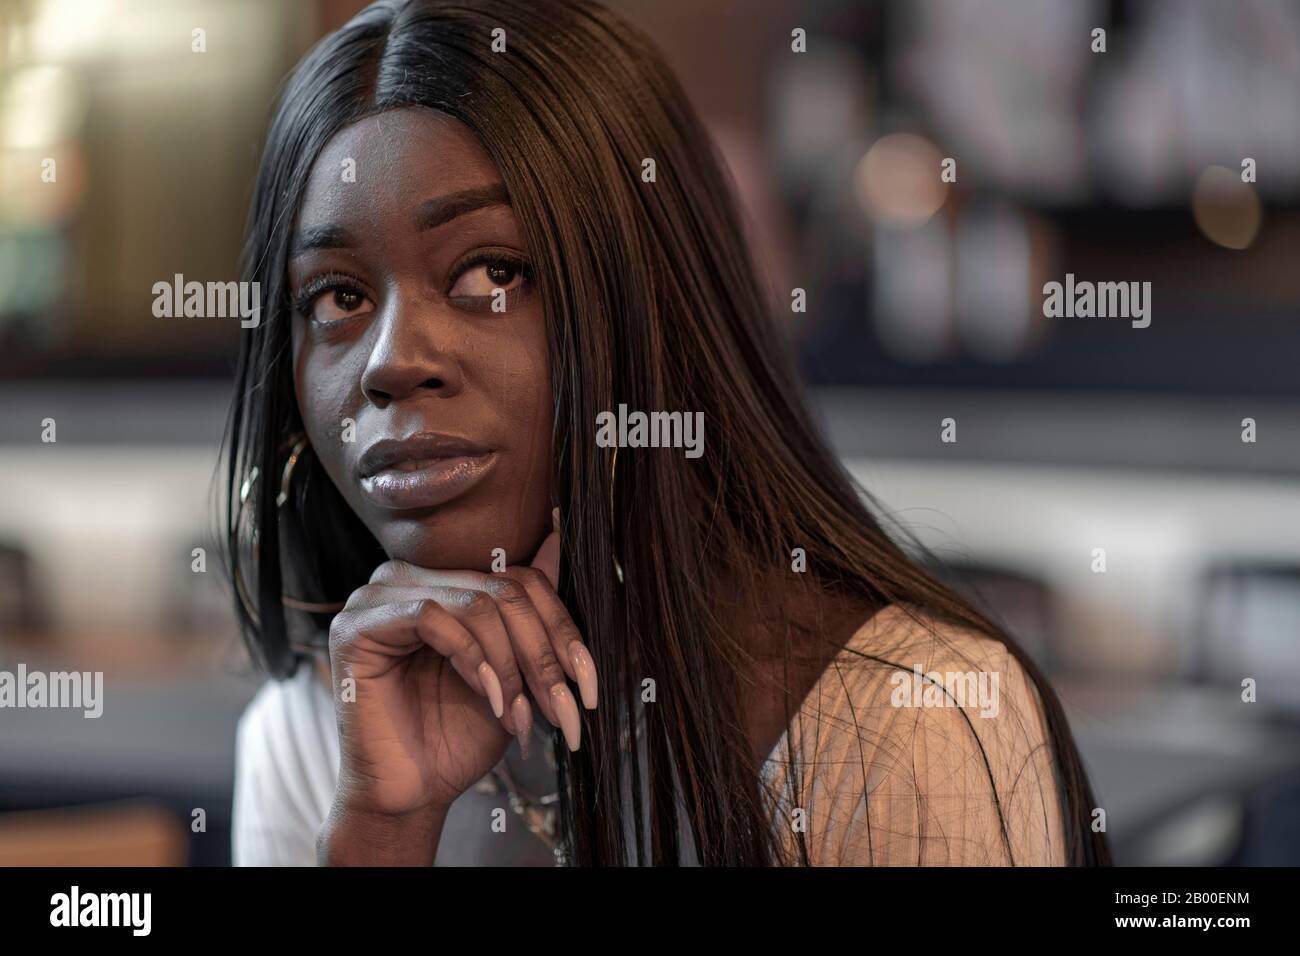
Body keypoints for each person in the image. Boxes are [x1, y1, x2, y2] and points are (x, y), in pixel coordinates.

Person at [225, 0, 1110, 866]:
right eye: (337, 297)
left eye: (491, 271)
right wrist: (382, 830)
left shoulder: (913, 722)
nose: (390, 362)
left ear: (654, 305)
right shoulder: (321, 736)